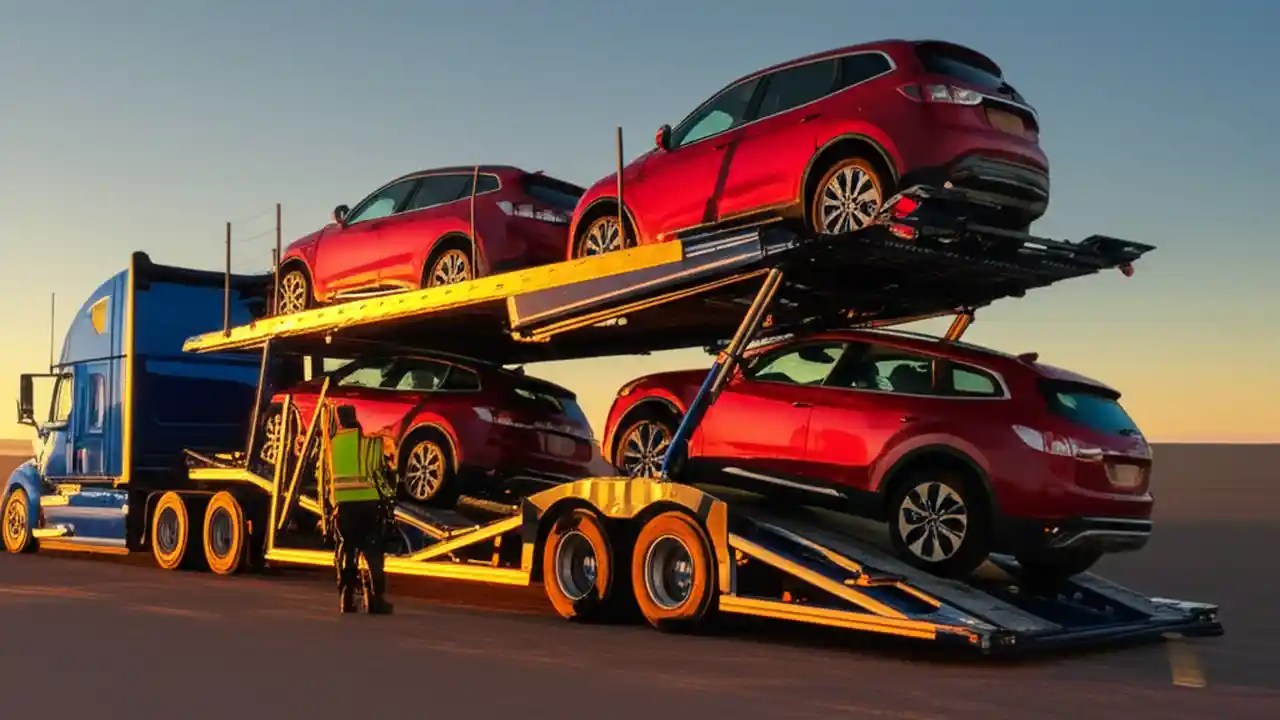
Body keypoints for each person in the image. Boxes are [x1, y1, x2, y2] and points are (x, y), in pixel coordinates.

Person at [326, 404, 396, 615]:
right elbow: (378, 473)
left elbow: (328, 475)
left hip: (344, 508)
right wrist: (391, 496)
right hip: (368, 506)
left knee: (348, 554)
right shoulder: (369, 441)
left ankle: (346, 600)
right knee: (374, 556)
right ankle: (376, 601)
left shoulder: (333, 443)